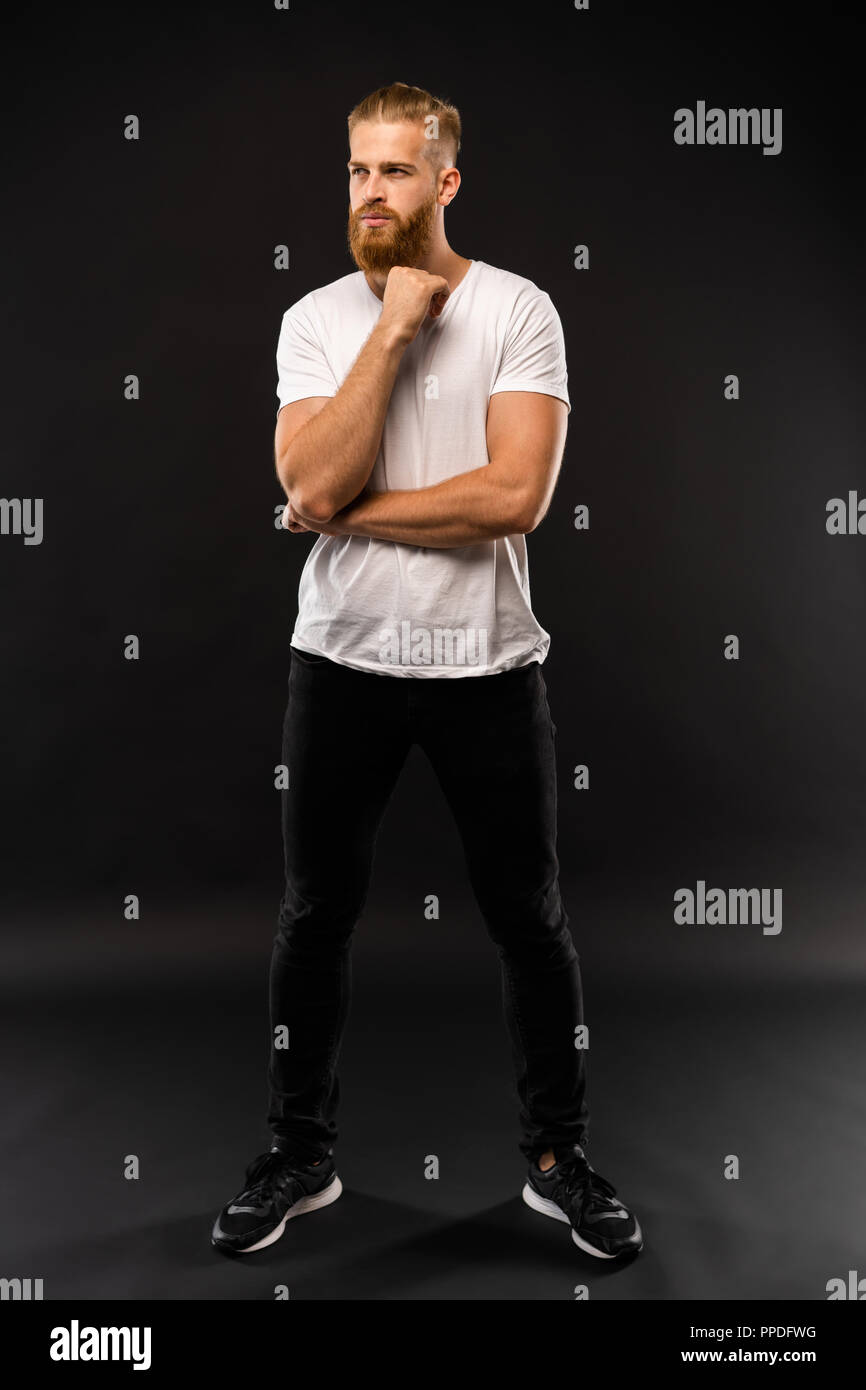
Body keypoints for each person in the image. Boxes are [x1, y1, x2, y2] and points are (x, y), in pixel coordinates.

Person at [212, 82, 642, 1263]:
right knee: (314, 918)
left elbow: (514, 496)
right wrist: (393, 329)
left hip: (486, 665)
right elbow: (308, 479)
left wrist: (348, 512)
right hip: (340, 661)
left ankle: (558, 1159)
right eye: (356, 171)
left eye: (396, 172)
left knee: (527, 920)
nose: (370, 194)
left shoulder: (517, 309)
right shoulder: (314, 321)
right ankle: (300, 1154)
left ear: (444, 182)